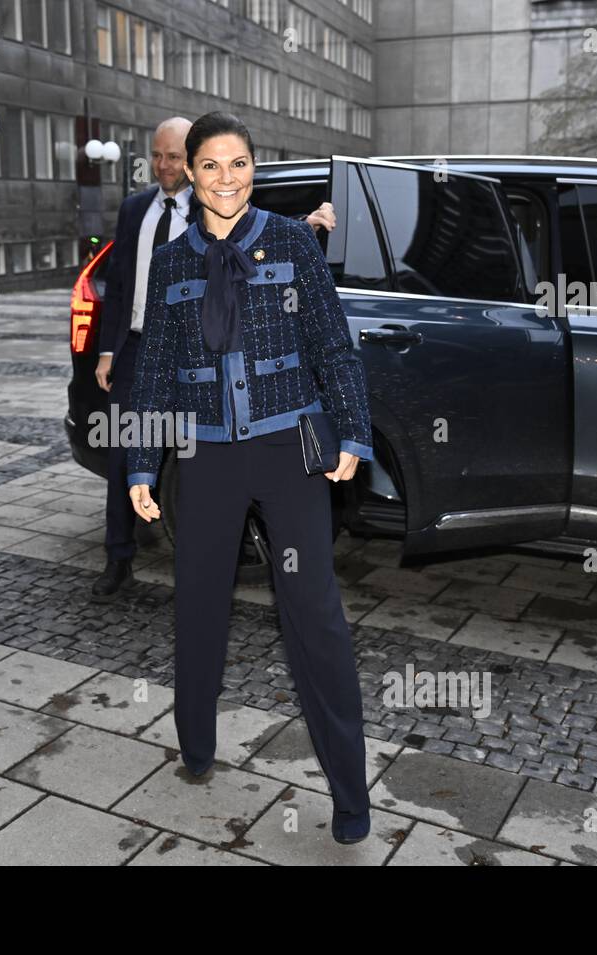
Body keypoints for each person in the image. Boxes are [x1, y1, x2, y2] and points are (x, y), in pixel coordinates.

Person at [125, 111, 375, 844]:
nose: (225, 178)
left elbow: (333, 342)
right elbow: (153, 375)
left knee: (316, 616)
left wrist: (352, 429)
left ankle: (351, 792)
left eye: (238, 164)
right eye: (210, 165)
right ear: (188, 174)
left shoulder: (294, 241)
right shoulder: (170, 260)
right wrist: (142, 461)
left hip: (288, 446)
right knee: (199, 603)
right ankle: (196, 743)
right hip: (205, 455)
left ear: (253, 169)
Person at [92, 116, 338, 600]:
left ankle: (229, 544)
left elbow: (252, 247)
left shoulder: (208, 204)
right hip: (137, 346)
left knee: (205, 463)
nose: (164, 164)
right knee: (126, 453)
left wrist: (300, 231)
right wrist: (106, 350)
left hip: (200, 349)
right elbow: (119, 284)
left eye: (173, 156)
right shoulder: (133, 210)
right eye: (157, 155)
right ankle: (119, 557)